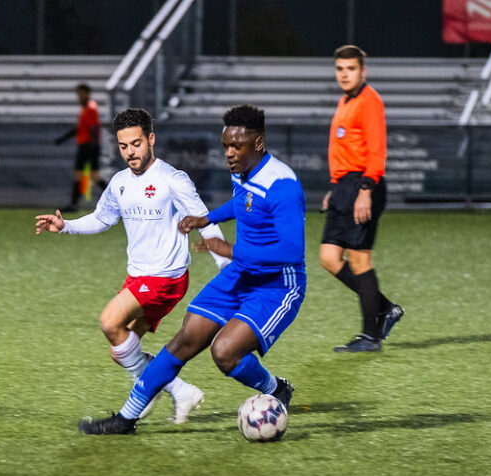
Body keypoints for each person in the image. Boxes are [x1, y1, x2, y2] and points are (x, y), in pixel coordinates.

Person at [78, 104, 306, 435]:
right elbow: (244, 203)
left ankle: (275, 389)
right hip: (241, 273)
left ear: (258, 143)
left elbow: (291, 250)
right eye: (225, 145)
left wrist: (229, 249)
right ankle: (126, 419)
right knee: (184, 340)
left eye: (236, 146)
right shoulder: (243, 169)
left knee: (225, 352)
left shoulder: (283, 185)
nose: (229, 153)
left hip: (278, 285)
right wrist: (209, 218)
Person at [37, 107, 231, 424]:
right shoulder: (119, 182)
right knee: (122, 351)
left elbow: (206, 223)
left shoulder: (172, 179)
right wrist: (66, 226)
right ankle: (172, 389)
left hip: (165, 278)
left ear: (151, 139)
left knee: (109, 322)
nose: (130, 152)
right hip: (138, 278)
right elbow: (102, 219)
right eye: (124, 146)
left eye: (136, 144)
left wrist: (228, 271)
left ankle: (175, 390)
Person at [320, 45, 404, 353]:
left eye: (350, 69)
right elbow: (345, 150)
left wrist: (365, 190)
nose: (344, 74)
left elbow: (376, 150)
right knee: (329, 258)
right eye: (340, 69)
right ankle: (385, 308)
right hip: (345, 186)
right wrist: (336, 189)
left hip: (363, 185)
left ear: (362, 71)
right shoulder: (345, 101)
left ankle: (371, 337)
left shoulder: (370, 101)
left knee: (360, 260)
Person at [54, 83, 106, 211]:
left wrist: (92, 146)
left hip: (87, 146)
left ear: (87, 93)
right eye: (78, 94)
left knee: (82, 175)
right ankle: (118, 201)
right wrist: (64, 138)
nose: (79, 96)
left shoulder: (90, 108)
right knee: (93, 176)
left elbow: (94, 128)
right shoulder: (85, 108)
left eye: (81, 93)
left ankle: (73, 204)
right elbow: (79, 128)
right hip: (88, 145)